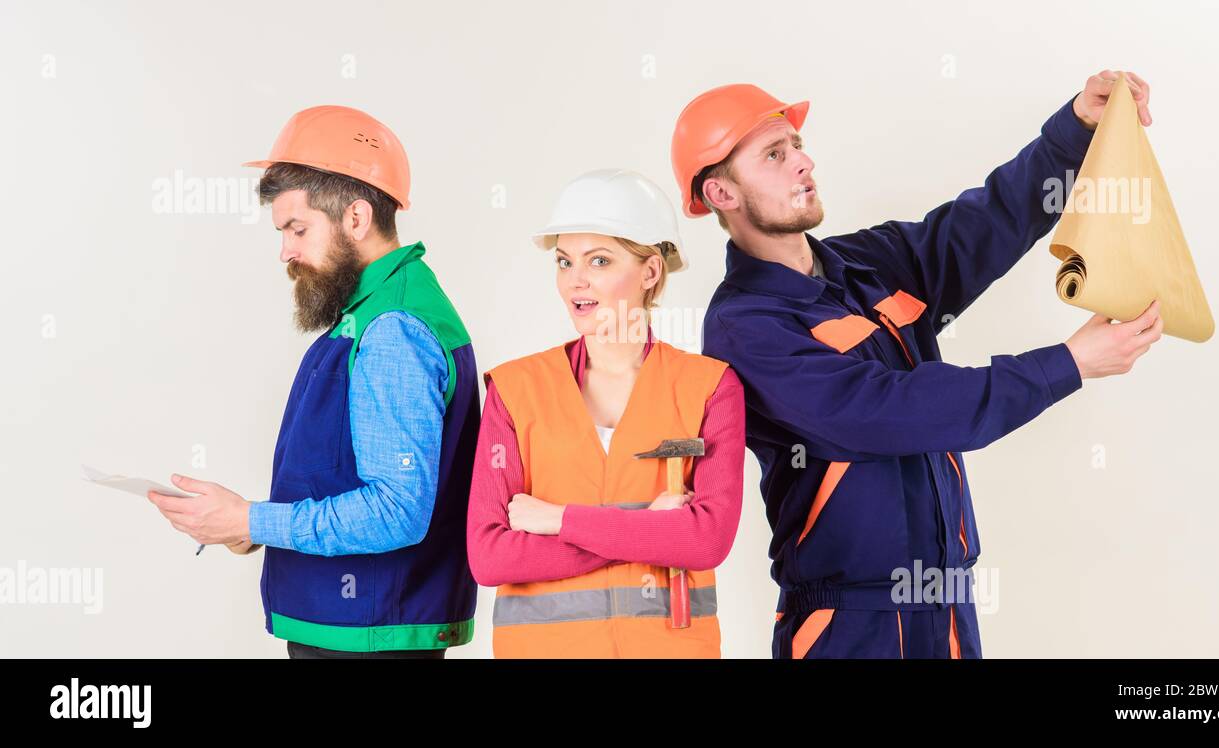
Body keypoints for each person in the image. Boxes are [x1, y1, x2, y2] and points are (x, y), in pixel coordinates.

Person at [672, 72, 1162, 658]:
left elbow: (983, 225)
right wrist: (1068, 364)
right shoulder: (746, 326)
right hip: (850, 626)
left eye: (796, 145)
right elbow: (887, 412)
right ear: (722, 194)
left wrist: (1075, 130)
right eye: (774, 155)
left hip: (949, 609)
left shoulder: (869, 264)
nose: (802, 162)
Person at [147, 106, 480, 658]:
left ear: (355, 218)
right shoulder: (373, 311)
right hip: (354, 629)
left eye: (297, 229)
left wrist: (250, 517)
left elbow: (396, 509)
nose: (286, 251)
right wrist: (249, 529)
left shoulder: (394, 327)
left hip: (368, 637)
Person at [466, 169, 745, 658]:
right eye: (564, 261)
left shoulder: (709, 388)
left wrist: (557, 520)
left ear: (650, 272)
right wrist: (647, 530)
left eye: (599, 260)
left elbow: (706, 542)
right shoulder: (514, 390)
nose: (577, 280)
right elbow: (489, 558)